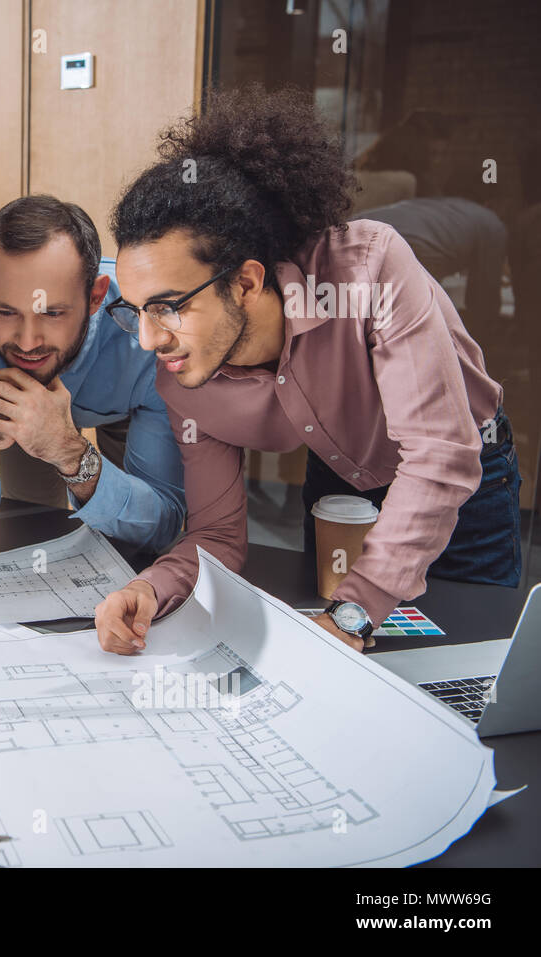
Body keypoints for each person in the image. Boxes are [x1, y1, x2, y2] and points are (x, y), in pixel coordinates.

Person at [94, 86, 520, 656]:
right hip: (342, 486)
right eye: (137, 311)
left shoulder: (369, 269)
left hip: (467, 474)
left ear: (245, 282)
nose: (149, 340)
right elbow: (218, 534)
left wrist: (355, 608)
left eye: (169, 306)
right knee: (363, 673)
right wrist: (153, 586)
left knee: (475, 659)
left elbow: (439, 456)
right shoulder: (183, 372)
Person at [0, 196, 185, 552]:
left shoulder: (148, 337)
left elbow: (162, 523)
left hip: (128, 404)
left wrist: (70, 454)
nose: (28, 343)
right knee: (31, 529)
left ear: (95, 298)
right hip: (15, 414)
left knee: (130, 542)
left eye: (52, 313)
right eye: (5, 312)